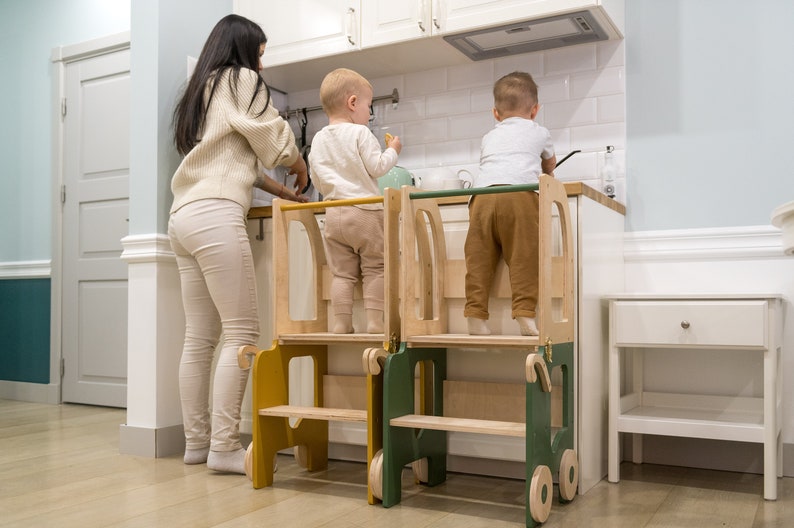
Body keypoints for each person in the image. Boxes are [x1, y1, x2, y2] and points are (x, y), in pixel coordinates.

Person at [169, 14, 308, 474]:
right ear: (245, 48)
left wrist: (280, 190)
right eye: (262, 53)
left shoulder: (202, 87)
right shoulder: (239, 78)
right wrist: (298, 162)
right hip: (214, 216)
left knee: (200, 339)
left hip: (184, 216)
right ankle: (226, 448)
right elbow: (270, 136)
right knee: (243, 334)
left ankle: (197, 444)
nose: (262, 65)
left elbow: (231, 155)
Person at [308, 68, 402, 334]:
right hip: (365, 212)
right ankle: (374, 323)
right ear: (352, 103)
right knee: (375, 267)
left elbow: (317, 179)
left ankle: (342, 323)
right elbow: (378, 167)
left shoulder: (318, 139)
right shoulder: (360, 134)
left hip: (334, 214)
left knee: (342, 274)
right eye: (368, 106)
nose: (368, 113)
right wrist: (393, 151)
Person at [463, 71, 557, 336]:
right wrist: (547, 173)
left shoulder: (488, 136)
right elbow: (550, 164)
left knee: (478, 261)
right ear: (535, 110)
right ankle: (525, 315)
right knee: (524, 258)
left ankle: (475, 316)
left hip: (481, 198)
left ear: (495, 113)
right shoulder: (540, 131)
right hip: (520, 196)